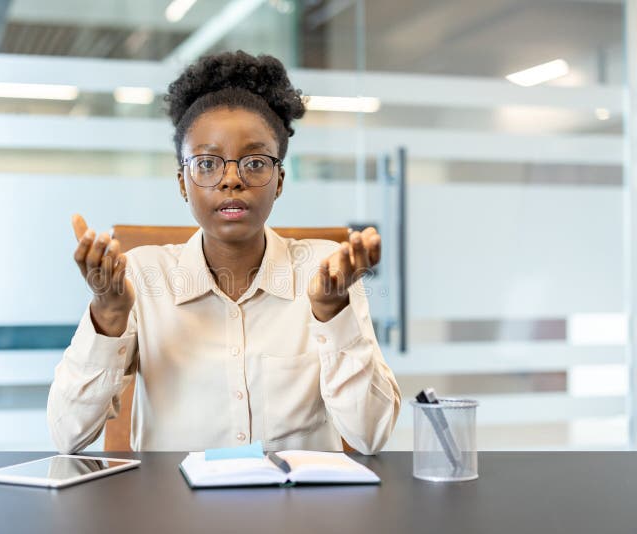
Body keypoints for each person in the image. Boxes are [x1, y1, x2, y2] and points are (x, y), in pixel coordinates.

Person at [47, 50, 401, 454]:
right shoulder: (140, 277)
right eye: (208, 163)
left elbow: (370, 436)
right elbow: (68, 435)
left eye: (254, 163)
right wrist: (108, 315)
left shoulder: (328, 274)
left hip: (298, 512)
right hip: (177, 511)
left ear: (279, 180)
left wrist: (332, 313)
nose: (232, 179)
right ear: (183, 182)